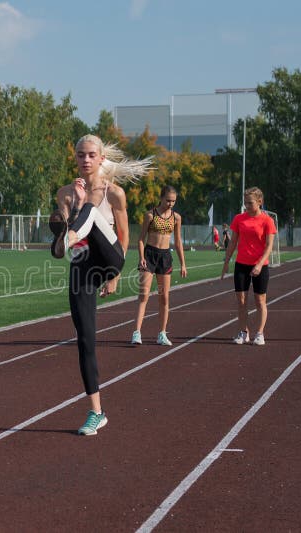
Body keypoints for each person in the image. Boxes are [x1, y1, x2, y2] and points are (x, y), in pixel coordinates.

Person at [49, 134, 153, 436]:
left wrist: (115, 275)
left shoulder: (114, 193)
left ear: (101, 158)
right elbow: (64, 223)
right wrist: (75, 205)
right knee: (85, 339)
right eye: (81, 155)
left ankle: (68, 240)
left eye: (91, 155)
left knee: (92, 211)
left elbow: (124, 234)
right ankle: (96, 412)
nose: (85, 160)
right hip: (82, 263)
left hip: (109, 257)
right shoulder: (65, 193)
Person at [131, 185, 187, 346]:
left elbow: (178, 242)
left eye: (173, 201)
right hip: (149, 256)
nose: (170, 204)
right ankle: (136, 333)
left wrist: (183, 264)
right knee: (144, 295)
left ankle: (162, 333)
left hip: (165, 257)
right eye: (168, 200)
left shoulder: (176, 218)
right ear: (161, 198)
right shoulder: (150, 215)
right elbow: (141, 239)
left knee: (164, 297)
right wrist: (141, 257)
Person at [220, 187, 277, 346]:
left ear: (260, 202)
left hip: (260, 266)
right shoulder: (239, 219)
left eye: (250, 203)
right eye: (245, 202)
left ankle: (260, 333)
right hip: (241, 265)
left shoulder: (267, 221)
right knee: (241, 301)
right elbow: (233, 242)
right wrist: (226, 262)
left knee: (260, 300)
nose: (247, 206)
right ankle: (243, 332)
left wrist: (259, 264)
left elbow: (269, 246)